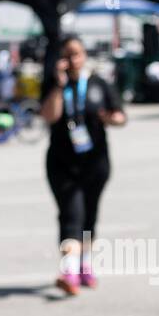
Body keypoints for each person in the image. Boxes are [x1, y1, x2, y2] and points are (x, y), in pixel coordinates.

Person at [39, 34, 126, 295]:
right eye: (66, 56)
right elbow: (49, 116)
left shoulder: (99, 84)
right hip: (62, 162)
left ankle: (85, 265)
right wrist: (59, 84)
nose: (71, 60)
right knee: (71, 214)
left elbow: (120, 116)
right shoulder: (53, 85)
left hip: (95, 161)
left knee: (89, 215)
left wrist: (111, 118)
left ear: (84, 55)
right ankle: (68, 270)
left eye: (75, 54)